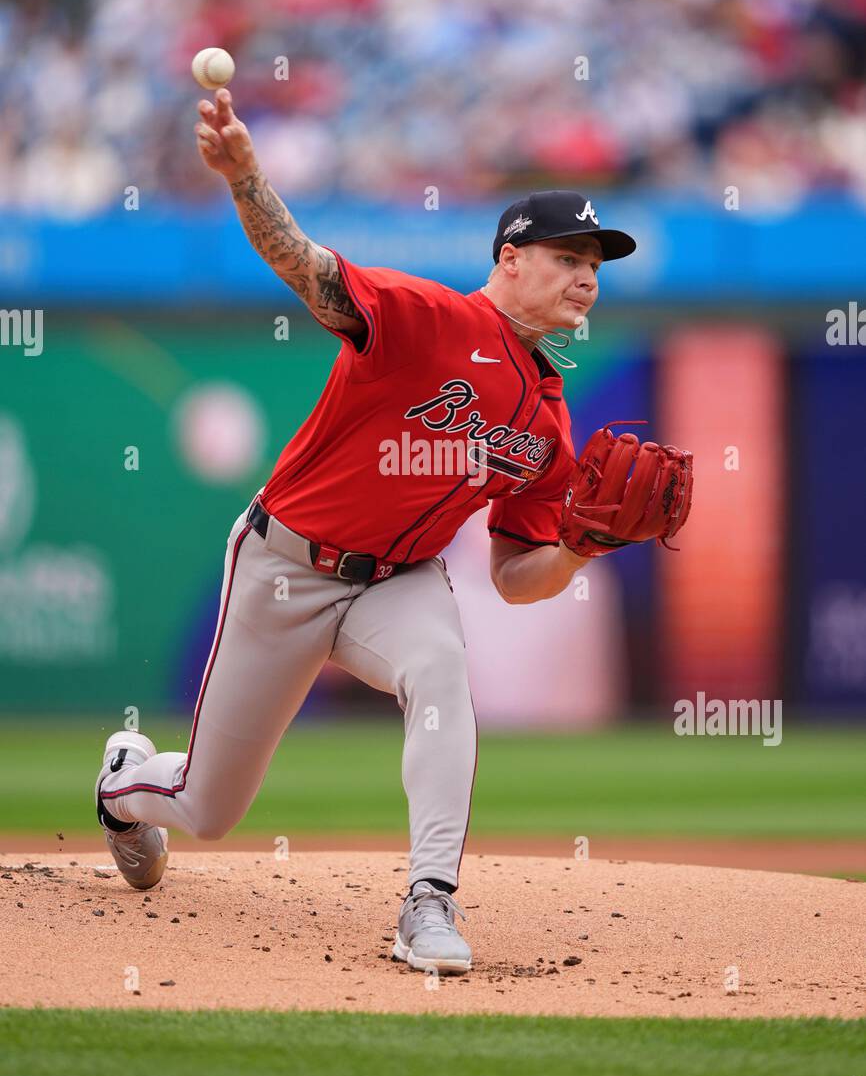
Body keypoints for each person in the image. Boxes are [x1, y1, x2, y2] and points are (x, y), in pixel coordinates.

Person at [95, 87, 638, 976]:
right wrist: (244, 176)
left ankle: (429, 900)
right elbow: (304, 266)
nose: (588, 275)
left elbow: (513, 578)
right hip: (287, 565)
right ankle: (124, 783)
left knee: (441, 670)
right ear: (509, 258)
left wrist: (581, 546)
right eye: (569, 255)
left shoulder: (548, 417)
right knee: (210, 806)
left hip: (400, 579)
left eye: (597, 262)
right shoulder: (428, 318)